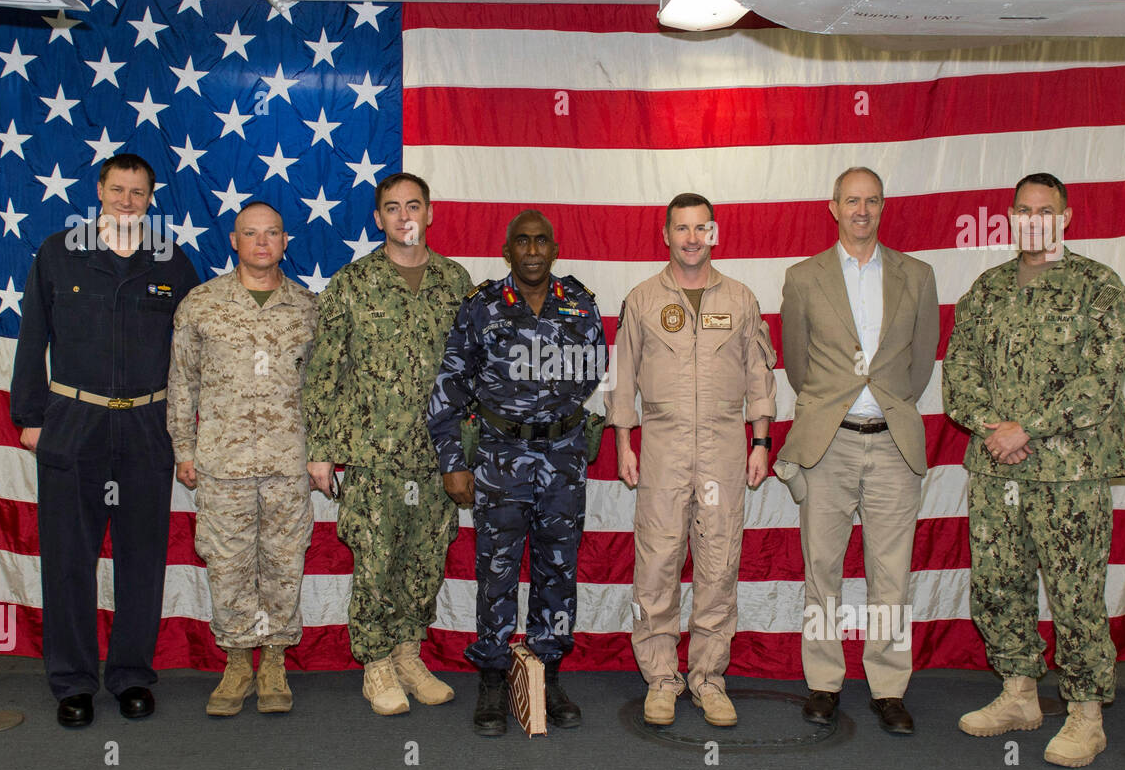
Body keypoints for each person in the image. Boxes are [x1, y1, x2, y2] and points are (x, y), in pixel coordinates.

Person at [942, 172, 1125, 768]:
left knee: (1076, 594)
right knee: (1000, 584)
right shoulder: (988, 288)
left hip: (1070, 473)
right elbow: (959, 369)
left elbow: (1101, 381)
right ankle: (1020, 692)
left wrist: (1029, 428)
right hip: (1000, 473)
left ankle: (1085, 714)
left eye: (1045, 210)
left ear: (1066, 217)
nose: (1033, 219)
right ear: (1010, 215)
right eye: (1022, 209)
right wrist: (994, 428)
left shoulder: (1097, 286)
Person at [11, 153, 200, 727]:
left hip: (146, 426)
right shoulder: (57, 252)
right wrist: (29, 415)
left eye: (138, 193)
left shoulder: (171, 261)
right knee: (69, 558)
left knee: (142, 558)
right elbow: (32, 335)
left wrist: (190, 430)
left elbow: (194, 350)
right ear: (99, 190)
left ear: (150, 198)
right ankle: (72, 680)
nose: (126, 201)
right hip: (74, 421)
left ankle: (131, 676)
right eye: (118, 190)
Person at [427, 211, 605, 736]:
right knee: (497, 571)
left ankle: (547, 672)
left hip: (564, 459)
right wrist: (452, 463)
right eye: (521, 241)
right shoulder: (481, 307)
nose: (531, 249)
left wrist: (556, 415)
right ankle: (493, 673)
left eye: (540, 241)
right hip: (500, 459)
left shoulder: (580, 304)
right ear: (508, 251)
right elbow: (450, 389)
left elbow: (592, 370)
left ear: (554, 248)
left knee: (558, 569)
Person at [303, 173, 472, 716]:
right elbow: (324, 371)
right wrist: (322, 448)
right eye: (393, 207)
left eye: (414, 205)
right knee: (376, 559)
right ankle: (375, 661)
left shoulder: (455, 281)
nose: (404, 216)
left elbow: (472, 369)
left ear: (429, 213)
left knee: (425, 559)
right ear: (378, 218)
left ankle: (407, 650)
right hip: (375, 454)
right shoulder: (352, 284)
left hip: (437, 456)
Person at [606, 193, 776, 728]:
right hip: (661, 448)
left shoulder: (742, 299)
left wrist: (761, 441)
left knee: (719, 564)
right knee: (656, 565)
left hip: (724, 448)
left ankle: (707, 677)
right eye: (682, 228)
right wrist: (624, 443)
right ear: (666, 234)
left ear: (715, 233)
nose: (692, 238)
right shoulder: (641, 300)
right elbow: (623, 381)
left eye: (702, 228)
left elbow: (760, 377)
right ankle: (661, 677)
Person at [779, 167, 939, 736]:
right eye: (852, 201)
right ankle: (823, 682)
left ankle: (888, 687)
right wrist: (831, 407)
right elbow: (798, 366)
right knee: (822, 569)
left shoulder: (917, 276)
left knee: (890, 574)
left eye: (872, 201)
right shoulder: (803, 278)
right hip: (829, 445)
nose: (862, 210)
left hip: (893, 445)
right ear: (834, 206)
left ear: (883, 207)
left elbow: (921, 365)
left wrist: (887, 404)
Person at [167, 201, 317, 716]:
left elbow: (321, 391)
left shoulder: (307, 308)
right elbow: (182, 382)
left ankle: (273, 659)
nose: (261, 243)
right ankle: (236, 663)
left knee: (282, 563)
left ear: (284, 241)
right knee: (227, 565)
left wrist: (320, 456)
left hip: (286, 465)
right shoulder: (201, 304)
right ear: (234, 241)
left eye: (271, 233)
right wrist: (183, 450)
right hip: (222, 467)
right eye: (250, 234)